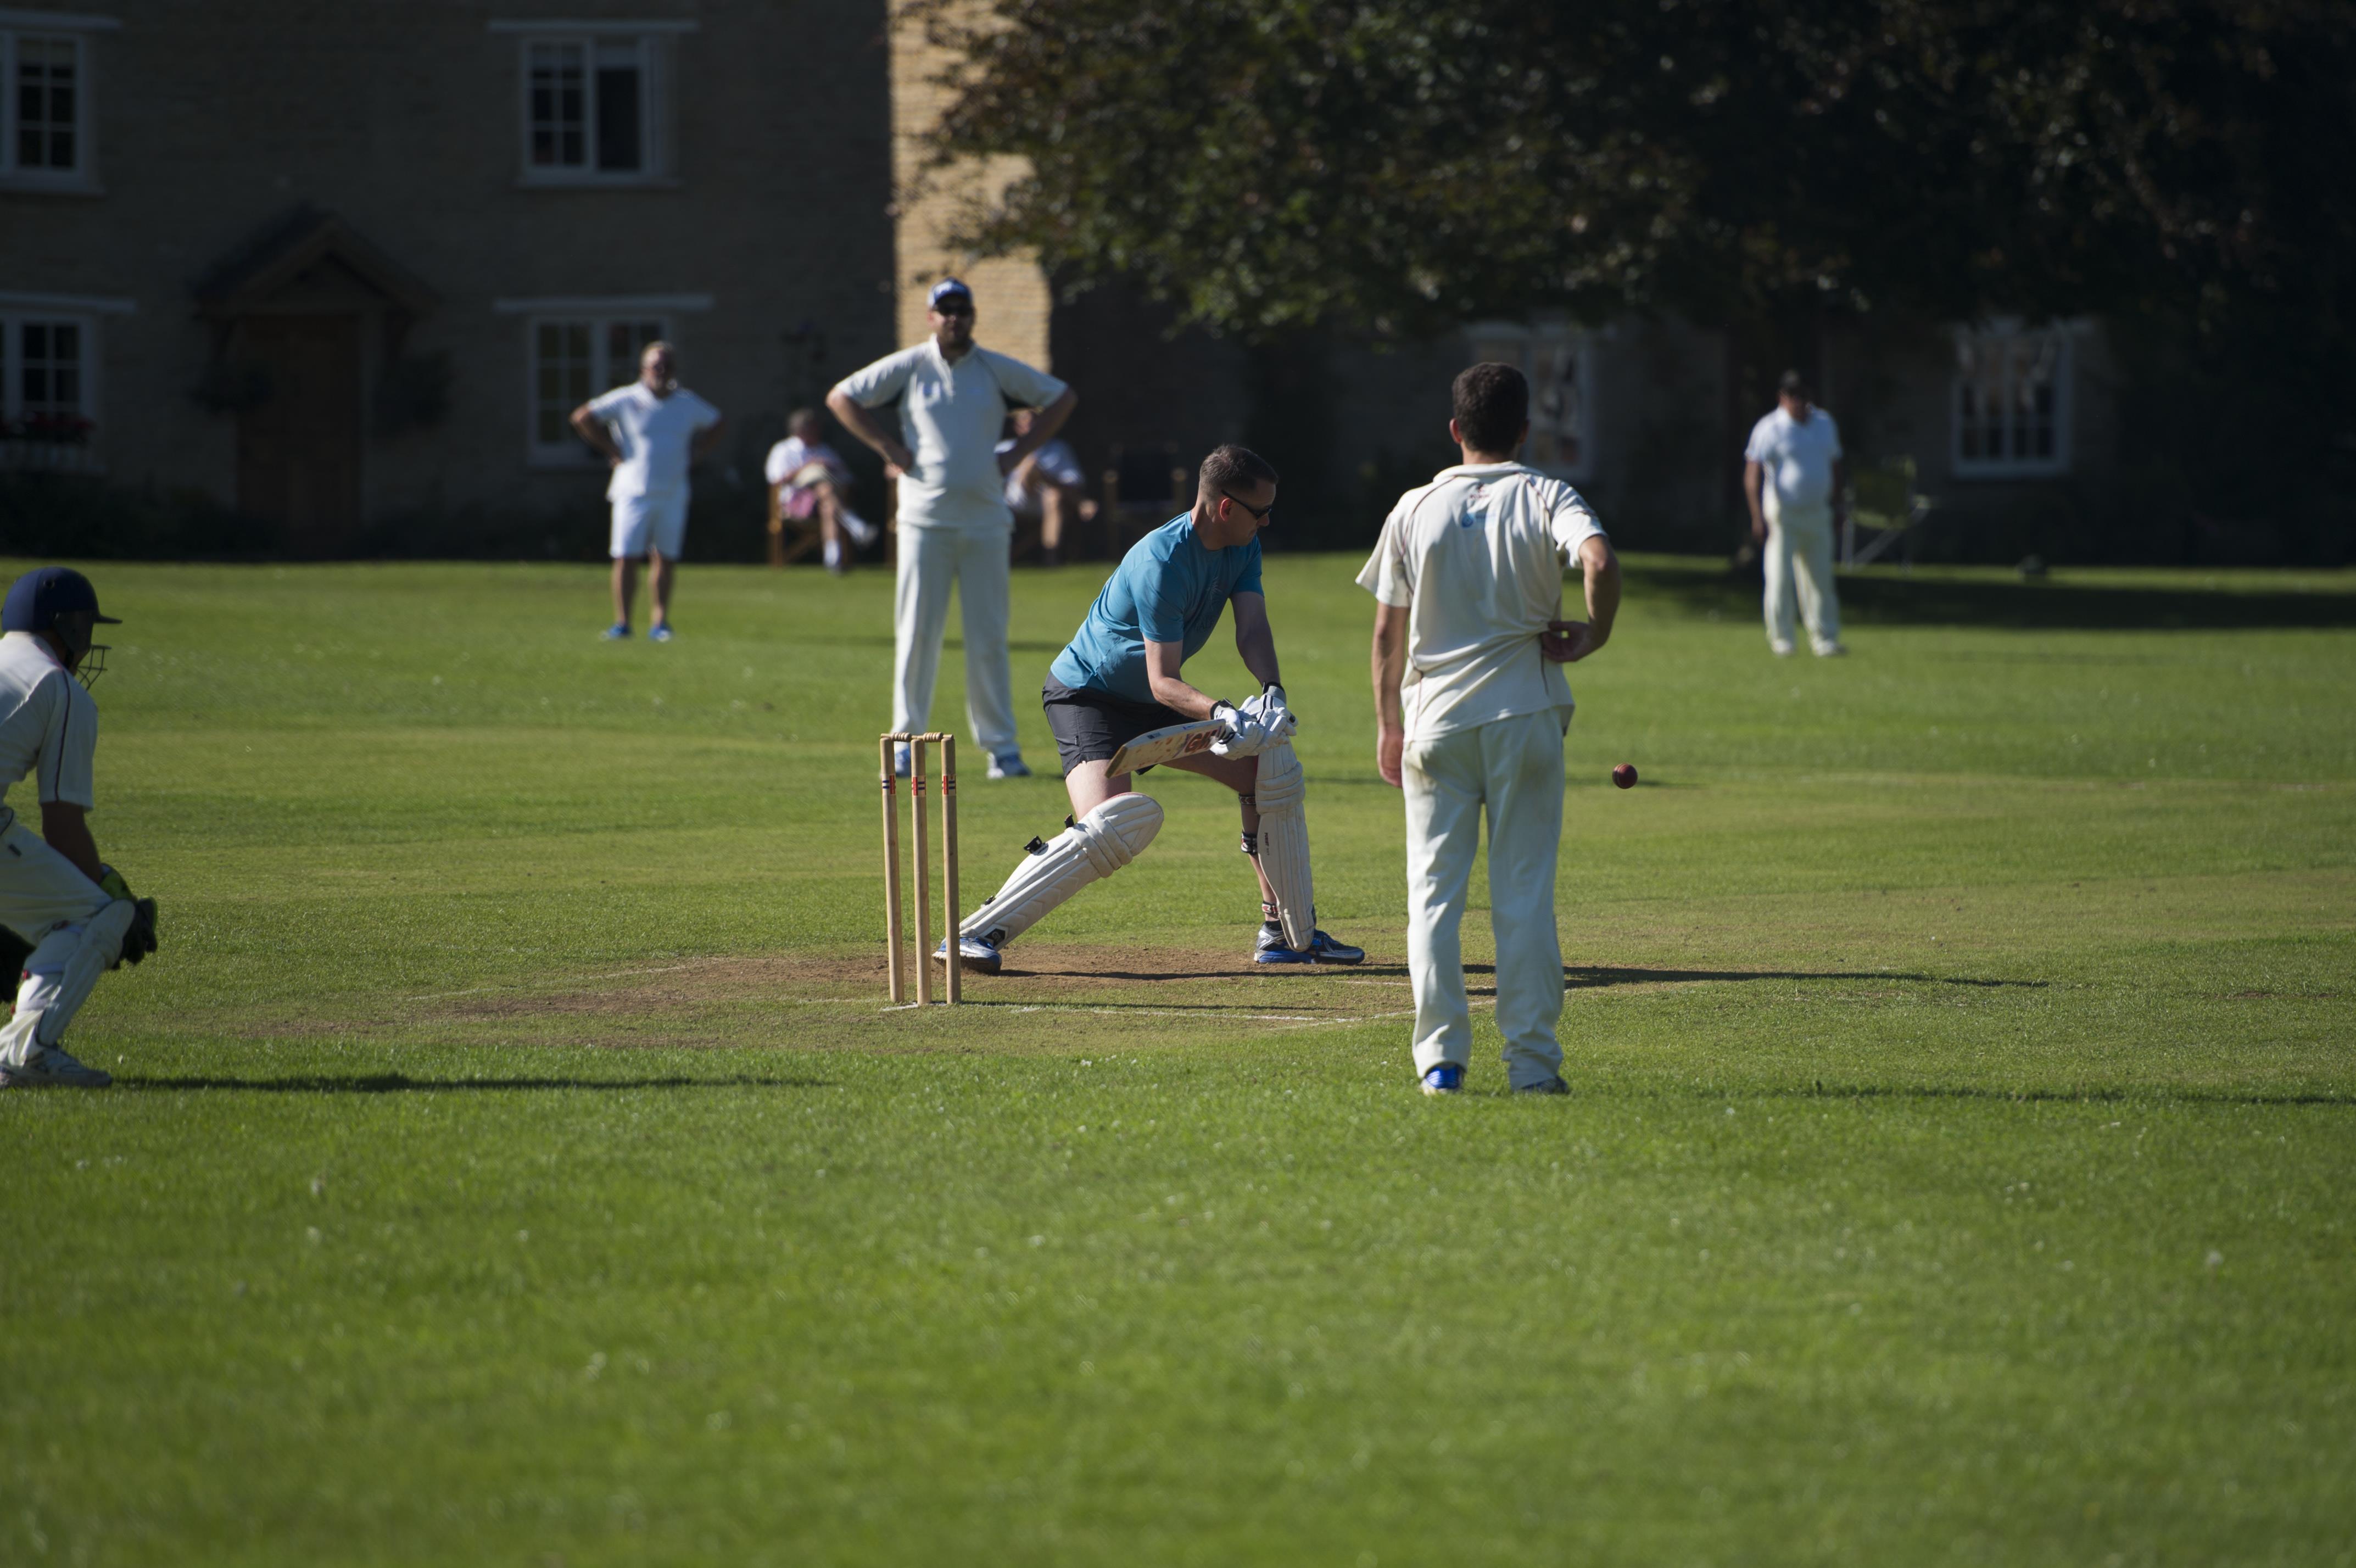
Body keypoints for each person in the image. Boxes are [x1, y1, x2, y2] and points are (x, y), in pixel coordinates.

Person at [939, 444, 1365, 975]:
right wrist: (1223, 710)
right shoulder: (1162, 560)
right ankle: (975, 931)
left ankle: (1282, 930)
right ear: (1226, 508)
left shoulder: (1243, 546)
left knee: (1269, 774)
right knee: (1114, 826)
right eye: (1261, 511)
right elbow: (1164, 681)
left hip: (1153, 699)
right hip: (1089, 697)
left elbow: (1251, 628)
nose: (1269, 520)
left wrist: (1272, 687)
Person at [1360, 364, 1621, 1096]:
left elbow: (1387, 630)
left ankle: (1440, 1063)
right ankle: (1532, 1066)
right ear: (1524, 430)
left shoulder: (1413, 506)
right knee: (1523, 893)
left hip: (1434, 724)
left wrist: (1388, 723)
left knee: (1432, 896)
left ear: (1454, 429)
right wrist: (1592, 636)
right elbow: (1597, 558)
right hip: (1524, 716)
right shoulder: (1545, 493)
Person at [827, 278, 1077, 779]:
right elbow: (842, 398)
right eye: (945, 310)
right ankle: (905, 742)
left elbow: (1062, 397)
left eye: (962, 310)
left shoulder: (992, 368)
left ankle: (1001, 750)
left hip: (986, 522)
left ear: (972, 316)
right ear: (931, 317)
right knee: (917, 634)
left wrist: (1019, 454)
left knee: (988, 638)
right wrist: (889, 450)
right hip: (924, 522)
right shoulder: (911, 366)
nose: (954, 318)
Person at [0, 568, 158, 1090]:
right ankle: (27, 1053)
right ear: (64, 629)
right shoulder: (58, 686)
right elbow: (63, 827)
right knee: (94, 915)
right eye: (84, 629)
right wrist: (112, 897)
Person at [572, 341, 726, 642]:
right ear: (644, 368)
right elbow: (582, 417)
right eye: (656, 365)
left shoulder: (686, 402)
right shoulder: (627, 399)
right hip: (633, 490)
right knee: (626, 555)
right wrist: (610, 449)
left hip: (673, 490)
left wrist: (698, 454)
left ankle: (660, 623)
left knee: (665, 557)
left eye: (666, 365)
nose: (661, 371)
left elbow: (718, 424)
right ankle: (623, 622)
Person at [1743, 369, 1847, 657]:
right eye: (1793, 396)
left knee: (1820, 578)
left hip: (1817, 511)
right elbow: (1753, 474)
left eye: (1803, 396)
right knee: (1779, 578)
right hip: (1782, 514)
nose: (1799, 402)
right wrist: (1757, 516)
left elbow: (1835, 467)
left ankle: (1825, 638)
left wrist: (1838, 505)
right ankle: (1782, 639)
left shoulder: (1824, 424)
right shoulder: (1769, 428)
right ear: (1782, 398)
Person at [764, 408, 877, 574]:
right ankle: (854, 526)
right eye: (813, 428)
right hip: (796, 503)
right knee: (822, 484)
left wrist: (830, 467)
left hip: (824, 503)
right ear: (800, 429)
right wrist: (809, 466)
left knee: (828, 503)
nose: (818, 431)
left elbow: (848, 479)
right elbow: (775, 479)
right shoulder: (783, 450)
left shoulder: (824, 450)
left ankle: (834, 559)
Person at [997, 406, 1096, 566]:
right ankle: (1080, 503)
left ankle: (1051, 556)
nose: (1029, 426)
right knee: (1030, 467)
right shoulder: (1004, 448)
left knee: (1053, 496)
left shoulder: (1058, 449)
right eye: (1024, 422)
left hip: (1046, 502)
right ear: (1016, 426)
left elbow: (1074, 482)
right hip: (1012, 502)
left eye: (1034, 422)